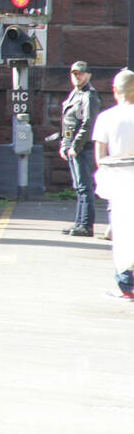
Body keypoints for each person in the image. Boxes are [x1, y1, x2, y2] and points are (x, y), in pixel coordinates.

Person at [93, 68, 134, 298]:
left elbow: (100, 159)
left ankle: (127, 287)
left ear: (115, 91)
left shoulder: (106, 118)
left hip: (119, 186)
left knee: (122, 233)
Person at [60, 60, 101, 236]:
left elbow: (87, 123)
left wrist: (75, 145)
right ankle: (79, 223)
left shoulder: (89, 96)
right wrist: (65, 144)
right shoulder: (74, 94)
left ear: (88, 75)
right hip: (73, 147)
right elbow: (69, 124)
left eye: (81, 73)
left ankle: (86, 225)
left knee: (84, 187)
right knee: (78, 186)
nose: (77, 77)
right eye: (74, 74)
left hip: (82, 148)